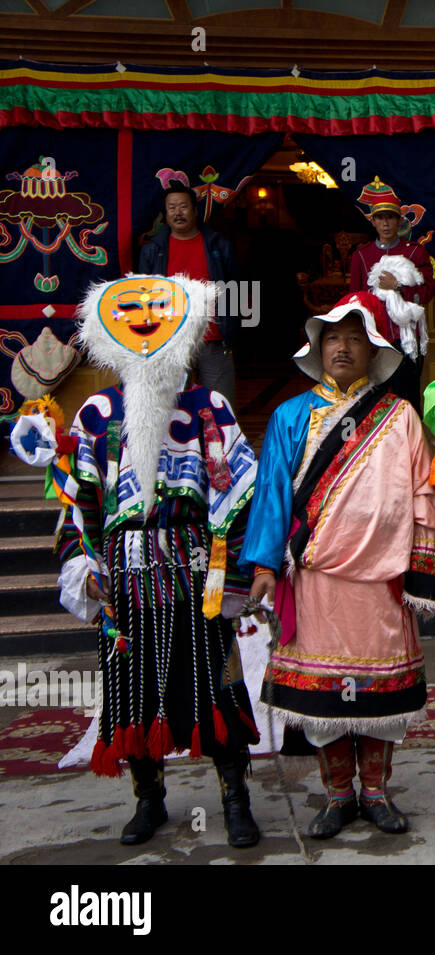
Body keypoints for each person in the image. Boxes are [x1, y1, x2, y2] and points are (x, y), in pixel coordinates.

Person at [54, 274, 261, 848]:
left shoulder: (207, 408)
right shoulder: (96, 414)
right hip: (124, 583)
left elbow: (240, 495)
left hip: (199, 576)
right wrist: (83, 568)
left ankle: (236, 798)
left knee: (218, 689)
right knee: (133, 693)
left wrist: (237, 575)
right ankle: (150, 799)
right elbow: (77, 503)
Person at [241, 290, 435, 837]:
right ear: (318, 347)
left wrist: (422, 572)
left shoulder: (399, 418)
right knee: (324, 695)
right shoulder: (289, 416)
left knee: (380, 695)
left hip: (383, 582)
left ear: (373, 351)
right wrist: (262, 565)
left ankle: (376, 793)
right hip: (315, 579)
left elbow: (425, 494)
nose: (344, 347)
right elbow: (271, 496)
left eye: (356, 338)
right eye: (334, 338)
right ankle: (335, 796)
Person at [138, 184, 239, 400]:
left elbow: (235, 287)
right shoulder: (153, 250)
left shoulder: (218, 246)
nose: (178, 213)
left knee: (220, 403)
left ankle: (220, 436)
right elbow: (142, 294)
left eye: (183, 206)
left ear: (195, 210)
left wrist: (232, 327)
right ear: (165, 214)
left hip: (213, 336)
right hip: (170, 340)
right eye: (172, 207)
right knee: (171, 403)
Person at [349, 177, 435, 407]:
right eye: (380, 218)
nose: (385, 223)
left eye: (390, 218)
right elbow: (354, 300)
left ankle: (409, 443)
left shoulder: (415, 253)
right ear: (373, 221)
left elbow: (427, 293)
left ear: (399, 221)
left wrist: (398, 287)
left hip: (405, 340)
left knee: (407, 400)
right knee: (371, 400)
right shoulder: (361, 256)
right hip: (373, 340)